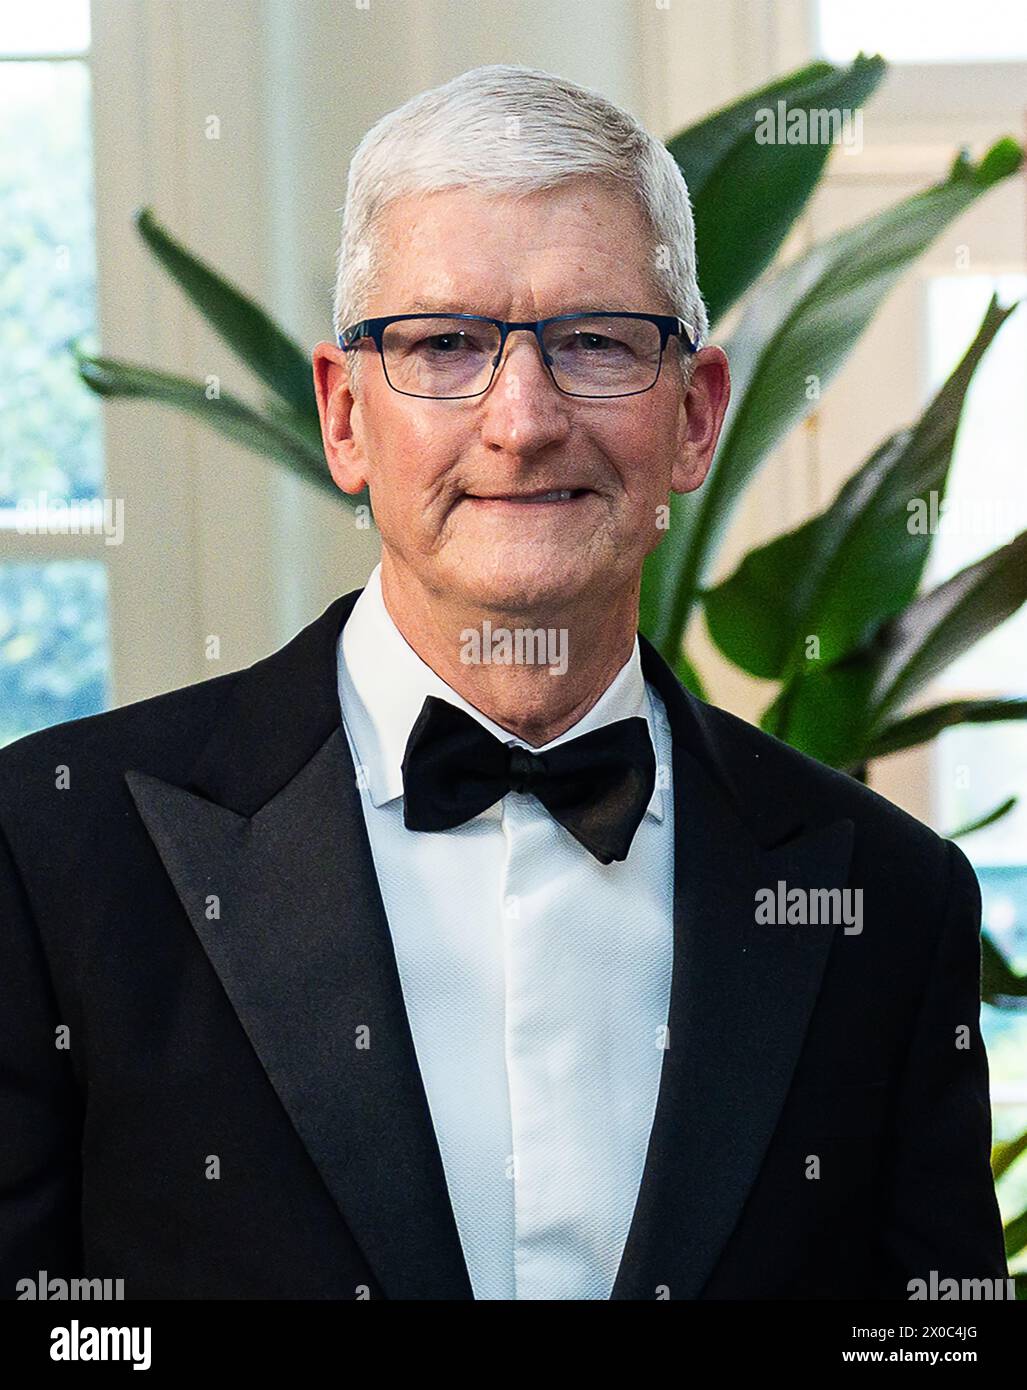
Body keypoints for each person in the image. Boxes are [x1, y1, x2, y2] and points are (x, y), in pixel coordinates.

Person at [0, 64, 1006, 1301]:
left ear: (695, 417)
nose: (522, 420)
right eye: (442, 344)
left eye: (593, 342)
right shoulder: (51, 851)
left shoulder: (891, 902)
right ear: (346, 417)